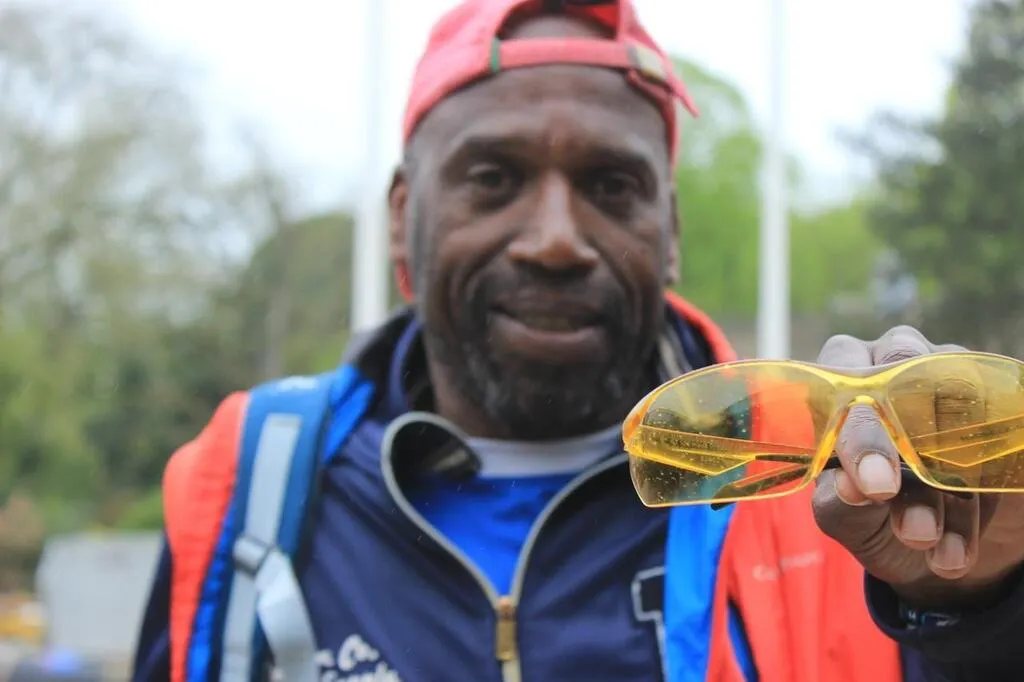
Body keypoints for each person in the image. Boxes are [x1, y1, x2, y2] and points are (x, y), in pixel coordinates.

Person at [132, 1, 1024, 681]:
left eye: (610, 183)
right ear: (405, 218)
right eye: (493, 177)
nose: (556, 237)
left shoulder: (831, 492)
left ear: (668, 228)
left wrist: (980, 612)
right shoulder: (239, 485)